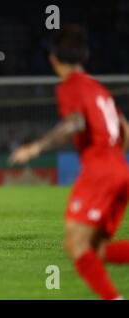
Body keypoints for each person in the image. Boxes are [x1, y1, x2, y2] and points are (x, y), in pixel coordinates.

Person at [9, 25, 129, 300]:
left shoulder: (71, 87)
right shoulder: (98, 88)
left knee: (76, 245)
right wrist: (114, 159)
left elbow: (75, 121)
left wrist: (35, 147)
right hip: (120, 168)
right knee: (95, 249)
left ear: (53, 58)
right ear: (84, 57)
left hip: (101, 171)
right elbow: (124, 127)